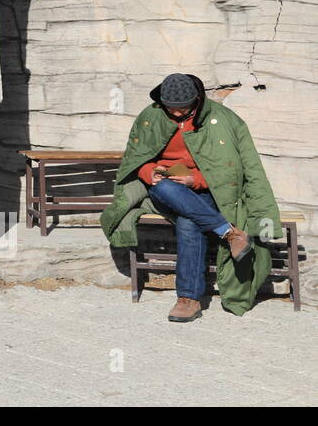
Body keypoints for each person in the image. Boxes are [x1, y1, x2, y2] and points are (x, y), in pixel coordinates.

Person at [101, 73, 284, 322]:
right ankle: (228, 232)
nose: (177, 114)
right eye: (171, 108)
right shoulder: (150, 116)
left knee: (189, 222)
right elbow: (134, 158)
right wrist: (149, 172)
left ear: (197, 100)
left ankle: (188, 299)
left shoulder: (224, 120)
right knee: (165, 188)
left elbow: (235, 169)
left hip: (205, 193)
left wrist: (194, 180)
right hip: (163, 190)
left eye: (183, 108)